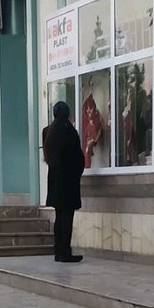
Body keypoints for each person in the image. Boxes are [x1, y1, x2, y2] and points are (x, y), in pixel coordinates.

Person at [43, 101, 85, 263]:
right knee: (67, 218)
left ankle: (58, 251)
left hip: (54, 181)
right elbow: (77, 158)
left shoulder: (47, 131)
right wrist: (77, 174)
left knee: (59, 217)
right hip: (68, 182)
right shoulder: (69, 131)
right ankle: (65, 252)